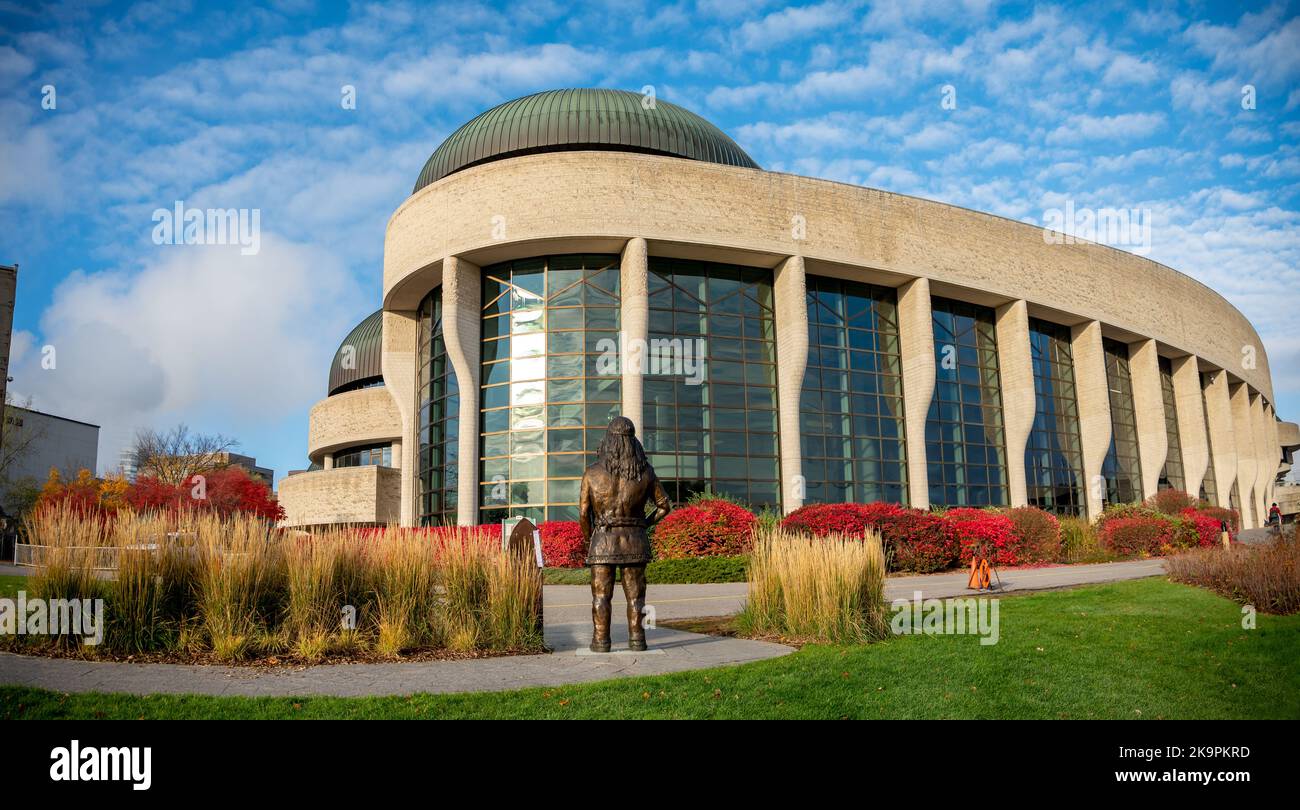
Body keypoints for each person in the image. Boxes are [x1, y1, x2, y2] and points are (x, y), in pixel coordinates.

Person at [579, 417, 672, 652]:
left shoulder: (592, 473)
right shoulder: (646, 472)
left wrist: (591, 538)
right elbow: (664, 507)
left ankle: (601, 642)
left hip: (602, 540)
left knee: (601, 597)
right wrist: (643, 524)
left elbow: (583, 513)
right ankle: (638, 640)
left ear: (608, 441)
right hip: (635, 541)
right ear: (634, 441)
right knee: (636, 598)